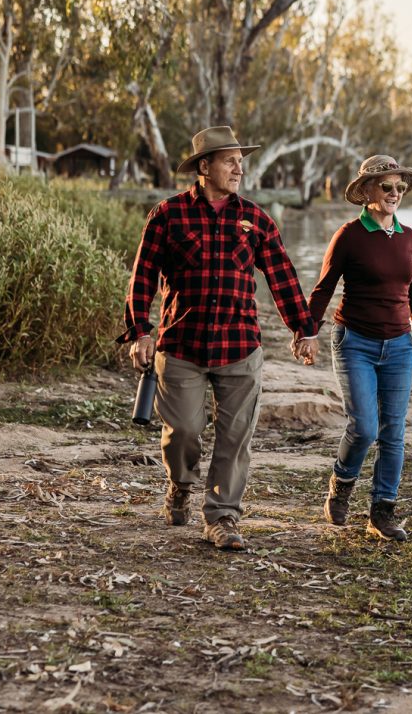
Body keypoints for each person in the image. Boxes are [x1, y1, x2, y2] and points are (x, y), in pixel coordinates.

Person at [119, 126, 316, 552]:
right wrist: (140, 331)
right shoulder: (167, 216)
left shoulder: (256, 220)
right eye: (230, 160)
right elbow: (143, 278)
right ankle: (179, 484)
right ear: (204, 167)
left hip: (240, 347)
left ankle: (222, 516)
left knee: (234, 436)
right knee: (185, 431)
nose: (238, 168)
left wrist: (302, 328)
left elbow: (282, 277)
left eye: (240, 161)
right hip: (181, 346)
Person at [293, 155, 412, 542]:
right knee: (363, 427)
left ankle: (382, 512)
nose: (394, 194)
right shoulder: (348, 235)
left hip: (398, 346)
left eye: (400, 188)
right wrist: (306, 332)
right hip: (354, 341)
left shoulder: (409, 237)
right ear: (366, 192)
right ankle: (341, 485)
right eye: (386, 187)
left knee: (393, 434)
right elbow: (324, 288)